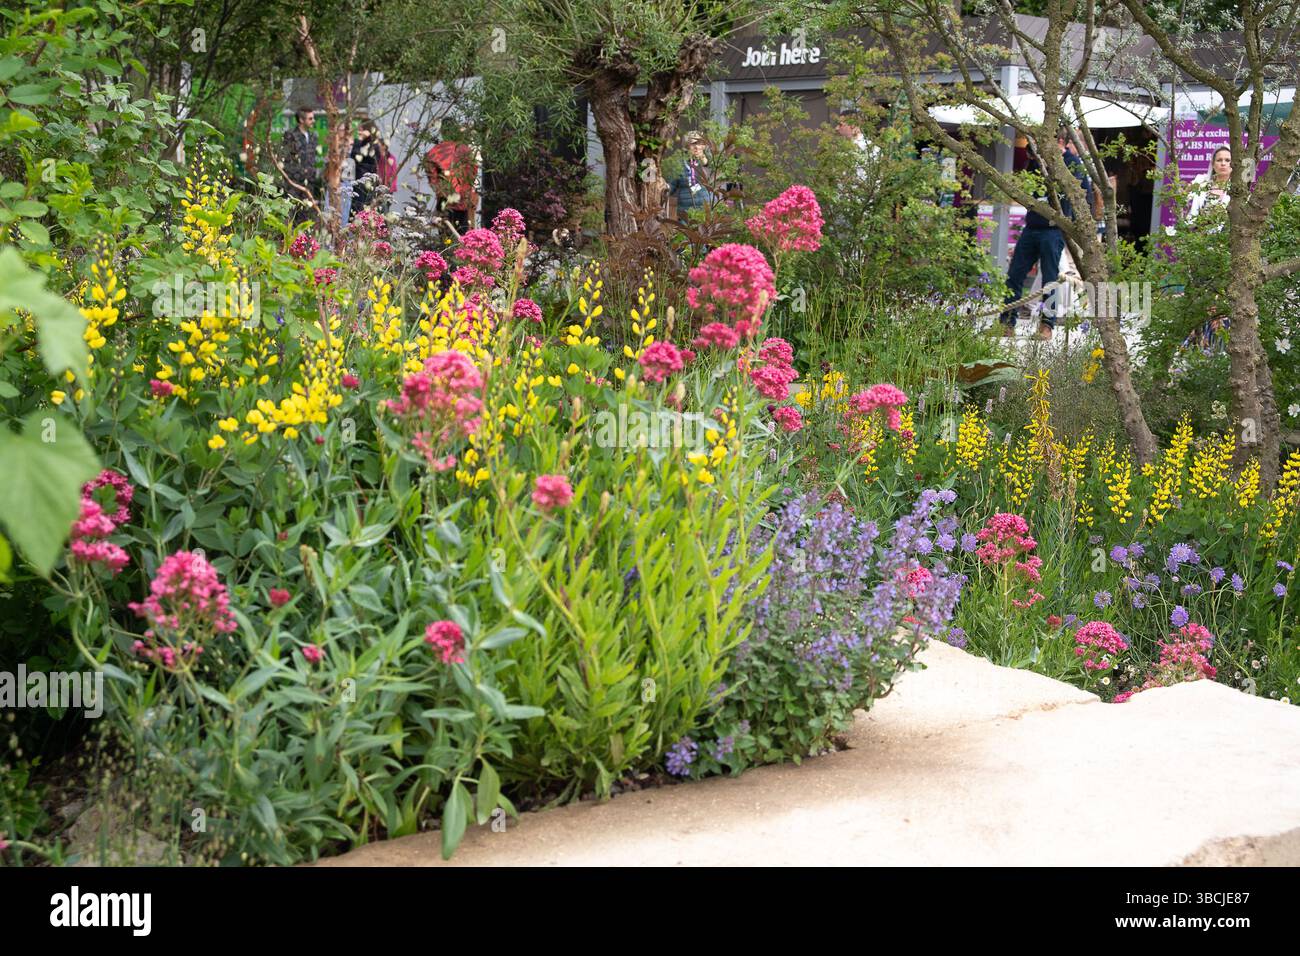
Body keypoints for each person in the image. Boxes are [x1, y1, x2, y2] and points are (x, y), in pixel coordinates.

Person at [999, 127, 1093, 341]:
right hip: (1032, 226)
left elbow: (1084, 195)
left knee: (1051, 279)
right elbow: (1026, 187)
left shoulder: (1071, 162)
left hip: (1053, 230)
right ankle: (1006, 324)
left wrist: (1076, 226)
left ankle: (1046, 326)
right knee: (1015, 274)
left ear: (1058, 140)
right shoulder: (1036, 162)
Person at [424, 120, 478, 232]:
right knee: (466, 240)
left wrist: (444, 193)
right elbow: (473, 174)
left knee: (445, 241)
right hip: (465, 202)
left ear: (442, 131)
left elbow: (433, 181)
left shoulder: (434, 152)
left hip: (446, 203)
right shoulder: (466, 150)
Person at [281, 107, 320, 221]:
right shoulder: (290, 135)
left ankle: (303, 239)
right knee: (291, 214)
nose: (313, 121)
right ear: (301, 120)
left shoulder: (313, 137)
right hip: (294, 183)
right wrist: (296, 174)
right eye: (310, 118)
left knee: (305, 214)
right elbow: (285, 159)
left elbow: (312, 158)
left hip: (308, 183)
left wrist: (311, 173)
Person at [668, 131, 715, 221]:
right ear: (686, 146)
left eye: (699, 143)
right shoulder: (679, 164)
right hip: (685, 213)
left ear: (704, 146)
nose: (696, 147)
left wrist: (705, 162)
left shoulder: (710, 163)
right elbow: (671, 186)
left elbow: (715, 177)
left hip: (705, 212)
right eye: (693, 144)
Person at [1187, 146, 1232, 222]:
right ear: (1213, 164)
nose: (1223, 163)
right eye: (1219, 160)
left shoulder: (1238, 189)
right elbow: (1184, 198)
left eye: (1227, 160)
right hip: (1195, 231)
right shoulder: (1201, 180)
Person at [349, 119, 382, 212]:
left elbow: (356, 156)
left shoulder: (374, 146)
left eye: (361, 129)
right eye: (358, 130)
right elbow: (353, 157)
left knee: (363, 210)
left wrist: (359, 141)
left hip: (367, 185)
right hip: (359, 183)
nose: (359, 132)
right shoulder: (362, 143)